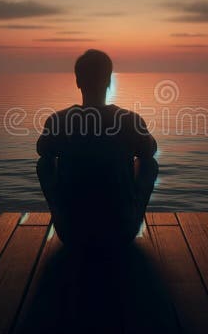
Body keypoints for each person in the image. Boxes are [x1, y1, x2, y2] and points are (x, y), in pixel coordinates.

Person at [37, 50, 158, 247]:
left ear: (78, 81)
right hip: (121, 231)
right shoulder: (129, 119)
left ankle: (61, 216)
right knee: (149, 164)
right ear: (109, 81)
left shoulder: (59, 119)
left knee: (45, 163)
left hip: (72, 233)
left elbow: (42, 150)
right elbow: (150, 150)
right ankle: (132, 215)